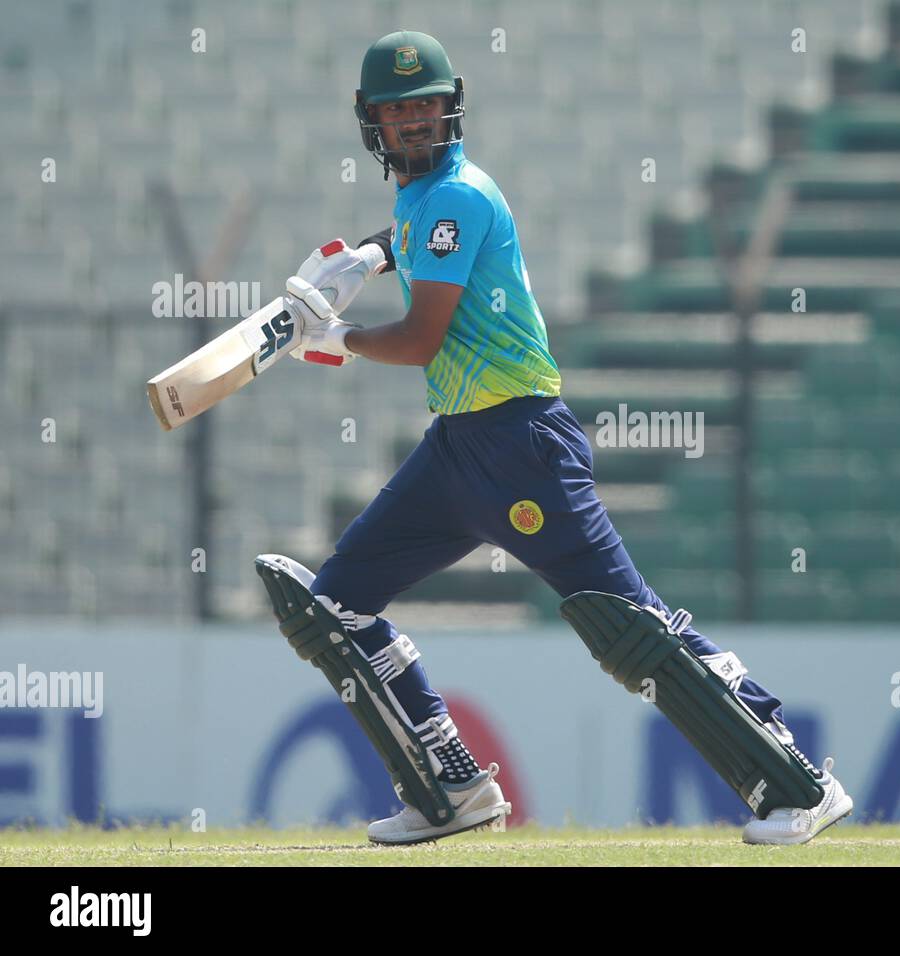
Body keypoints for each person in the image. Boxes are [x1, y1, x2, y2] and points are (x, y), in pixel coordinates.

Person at [271, 29, 852, 846]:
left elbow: (423, 338)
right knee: (335, 605)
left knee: (627, 626)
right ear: (372, 123)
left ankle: (799, 783)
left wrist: (332, 337)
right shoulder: (422, 201)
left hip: (520, 445)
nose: (414, 125)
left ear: (453, 109)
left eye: (427, 109)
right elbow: (410, 236)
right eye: (398, 112)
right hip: (457, 450)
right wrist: (363, 257)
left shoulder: (457, 196)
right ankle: (450, 793)